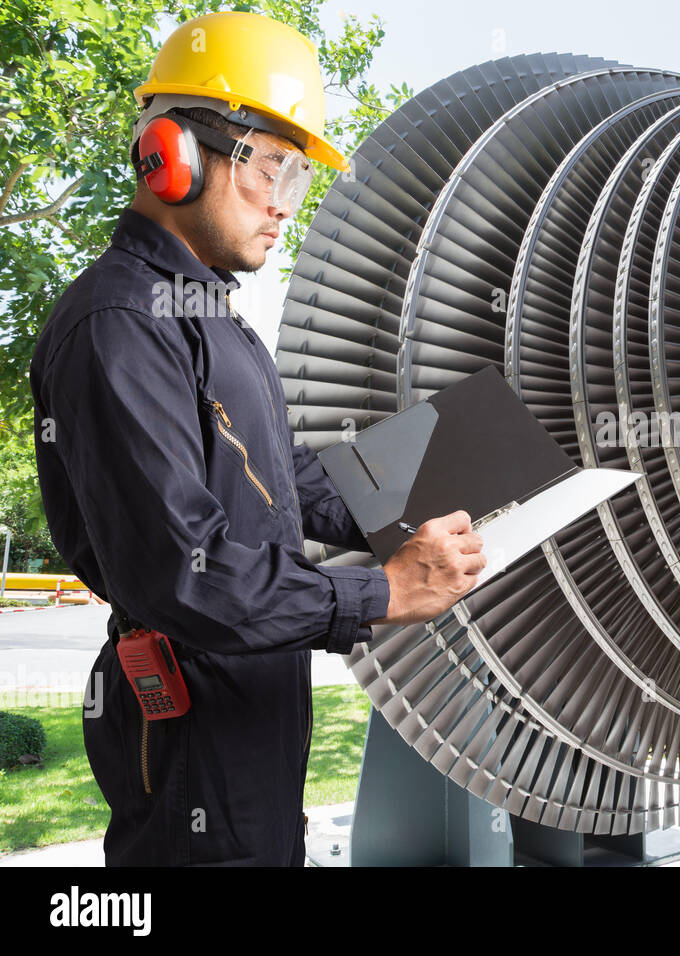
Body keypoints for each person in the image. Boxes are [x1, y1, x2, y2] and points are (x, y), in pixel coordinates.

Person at [28, 10, 485, 866]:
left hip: (253, 705)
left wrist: (442, 476)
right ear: (174, 155)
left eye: (296, 177)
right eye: (268, 167)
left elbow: (281, 482)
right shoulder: (118, 325)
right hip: (189, 717)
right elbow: (179, 565)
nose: (285, 206)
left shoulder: (213, 318)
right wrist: (380, 592)